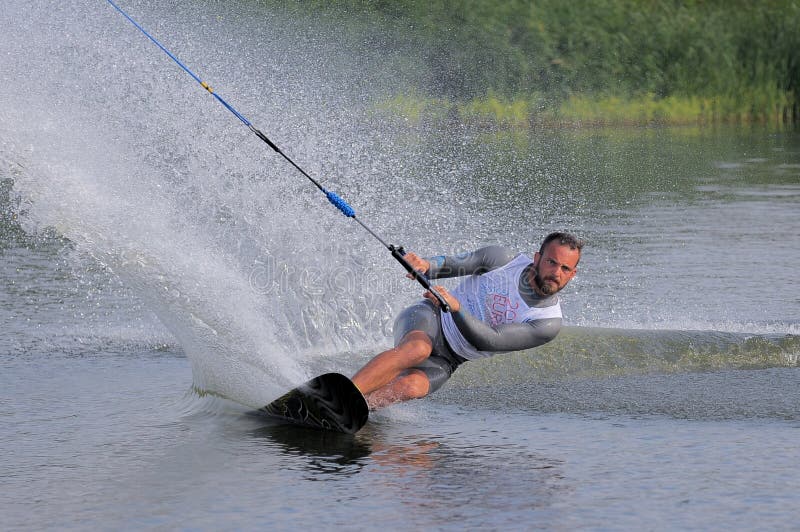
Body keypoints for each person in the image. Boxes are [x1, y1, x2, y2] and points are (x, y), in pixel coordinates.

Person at [352, 232, 583, 409]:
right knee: (418, 349)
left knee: (412, 386)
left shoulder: (547, 323)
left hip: (451, 359)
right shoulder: (501, 260)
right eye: (551, 262)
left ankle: (354, 410)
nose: (556, 272)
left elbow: (490, 341)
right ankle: (347, 394)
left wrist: (457, 309)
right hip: (430, 317)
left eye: (565, 268)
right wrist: (424, 265)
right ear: (537, 258)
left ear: (572, 274)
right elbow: (447, 265)